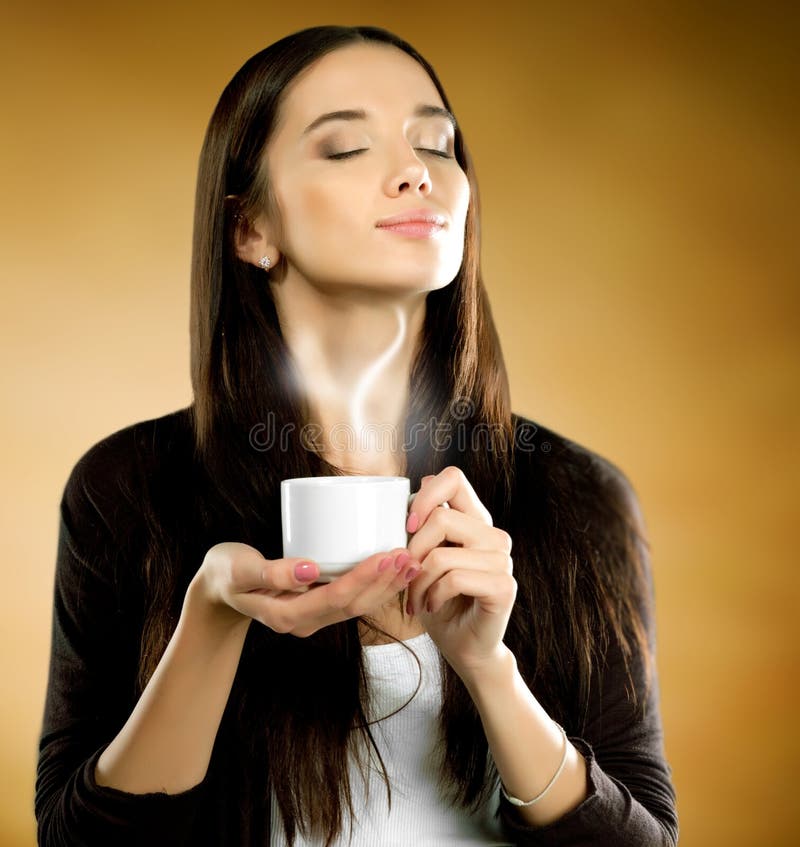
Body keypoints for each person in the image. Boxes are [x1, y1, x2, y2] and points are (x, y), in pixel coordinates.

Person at [35, 24, 678, 847]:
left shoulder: (575, 495)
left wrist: (486, 665)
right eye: (345, 148)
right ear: (250, 229)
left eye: (437, 143)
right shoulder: (127, 488)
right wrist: (212, 622)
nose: (417, 171)